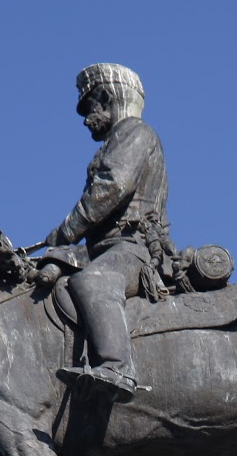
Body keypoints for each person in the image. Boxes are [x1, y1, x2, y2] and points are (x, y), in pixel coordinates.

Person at [43, 63, 171, 402]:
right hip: (100, 248)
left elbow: (112, 185)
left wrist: (67, 230)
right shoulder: (117, 139)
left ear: (108, 98)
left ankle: (117, 368)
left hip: (133, 248)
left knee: (94, 281)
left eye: (91, 107)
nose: (86, 118)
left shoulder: (134, 132)